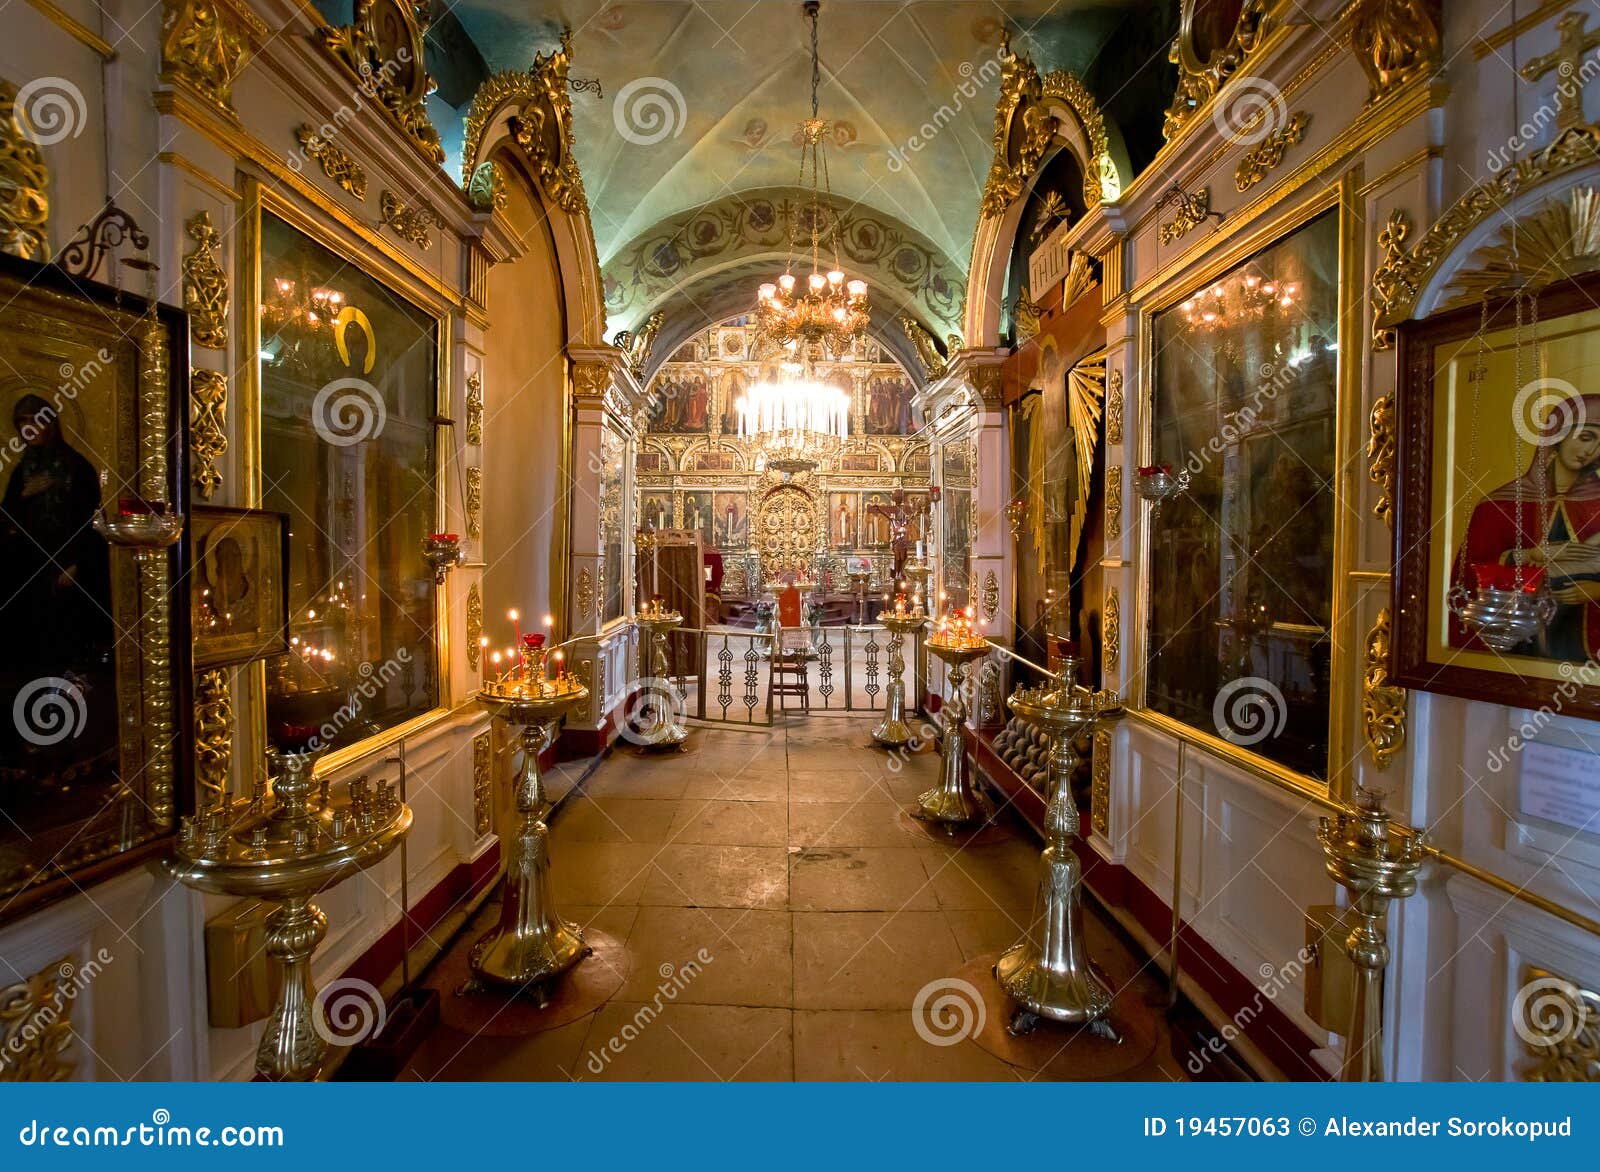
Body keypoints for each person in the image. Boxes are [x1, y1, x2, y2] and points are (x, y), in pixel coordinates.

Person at [1451, 392, 1600, 660]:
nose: (1591, 451)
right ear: (1558, 435)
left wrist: (1596, 592)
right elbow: (1466, 578)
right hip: (1514, 643)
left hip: (1583, 647)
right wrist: (1527, 555)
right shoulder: (1500, 505)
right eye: (1586, 437)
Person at [1, 394, 112, 672]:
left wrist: (78, 564)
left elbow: (92, 522)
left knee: (66, 640)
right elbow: (7, 518)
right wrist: (27, 493)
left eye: (35, 422)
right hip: (30, 568)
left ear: (49, 424)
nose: (29, 429)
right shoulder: (23, 471)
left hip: (67, 565)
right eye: (22, 423)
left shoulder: (78, 468)